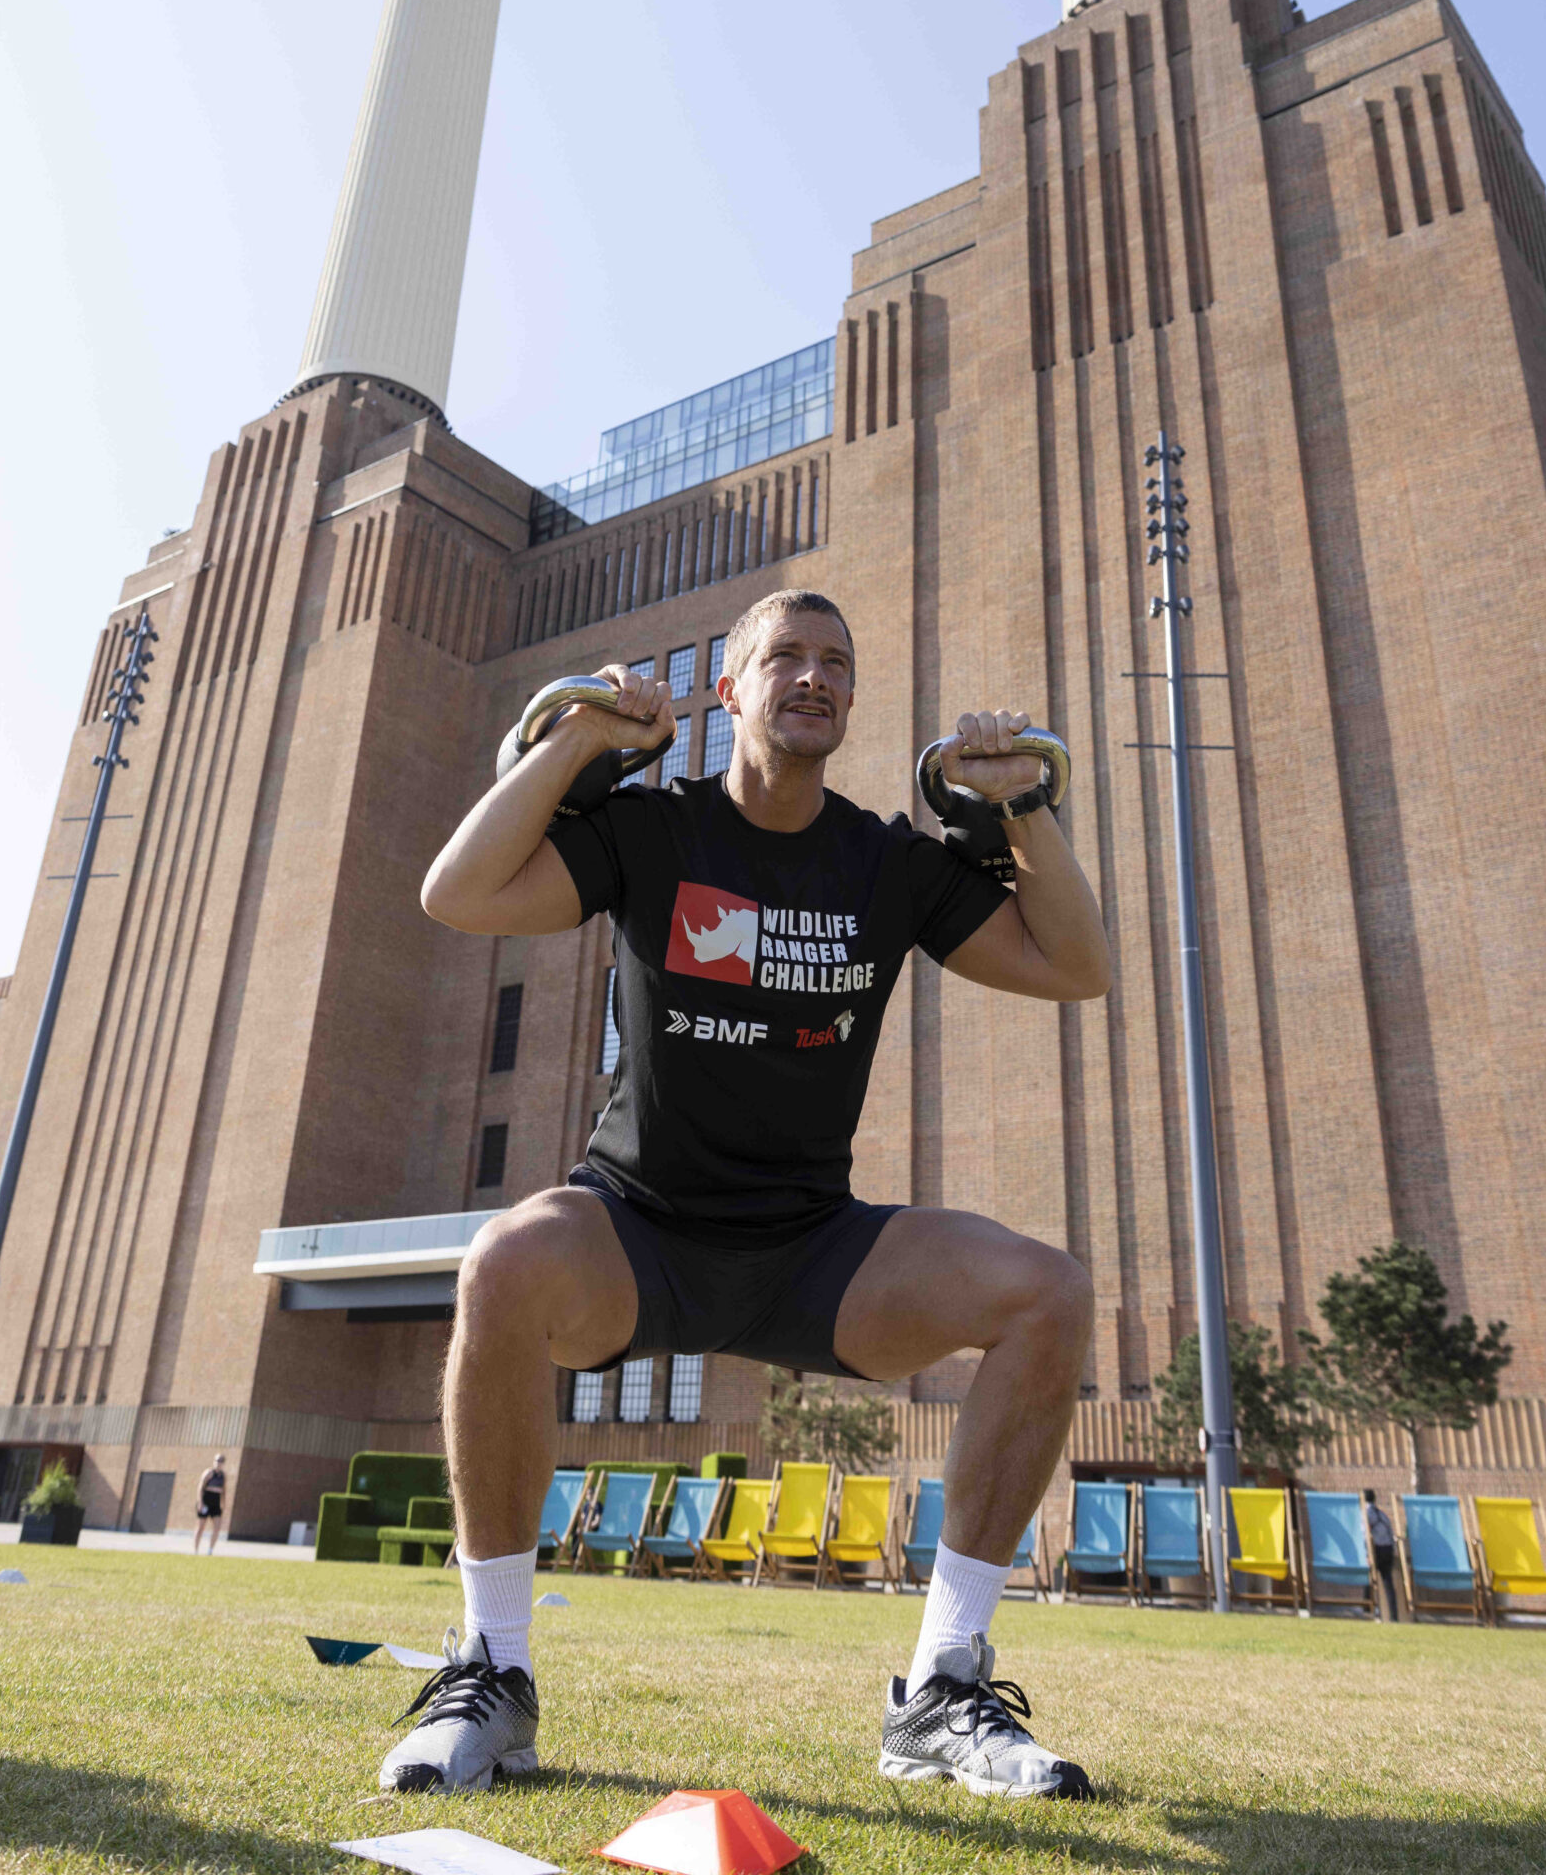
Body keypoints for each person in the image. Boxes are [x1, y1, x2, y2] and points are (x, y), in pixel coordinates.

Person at [382, 588, 1110, 1801]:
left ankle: (941, 1687)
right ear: (731, 691)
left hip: (811, 1250)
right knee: (502, 1263)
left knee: (1049, 1292)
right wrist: (579, 737)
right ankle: (493, 1670)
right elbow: (454, 893)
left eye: (837, 660)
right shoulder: (652, 833)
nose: (813, 677)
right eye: (785, 658)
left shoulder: (886, 861)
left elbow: (1076, 967)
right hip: (635, 1228)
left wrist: (1023, 803)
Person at [1363, 1489, 1398, 1620]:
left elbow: (1365, 1535)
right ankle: (1394, 1616)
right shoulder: (1382, 1514)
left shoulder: (1366, 1514)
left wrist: (1367, 1553)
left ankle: (1366, 1611)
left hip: (1376, 1549)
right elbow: (1390, 1532)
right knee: (1387, 1581)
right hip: (1387, 1549)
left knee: (1368, 1579)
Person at [194, 1451, 226, 1554]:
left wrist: (223, 1503)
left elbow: (224, 1490)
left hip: (216, 1501)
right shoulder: (208, 1473)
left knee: (217, 1527)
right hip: (206, 1499)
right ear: (214, 1461)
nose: (219, 1463)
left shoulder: (223, 1476)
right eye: (217, 1460)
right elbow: (200, 1487)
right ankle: (196, 1550)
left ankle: (210, 1550)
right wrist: (200, 1502)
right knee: (201, 1526)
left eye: (221, 1461)